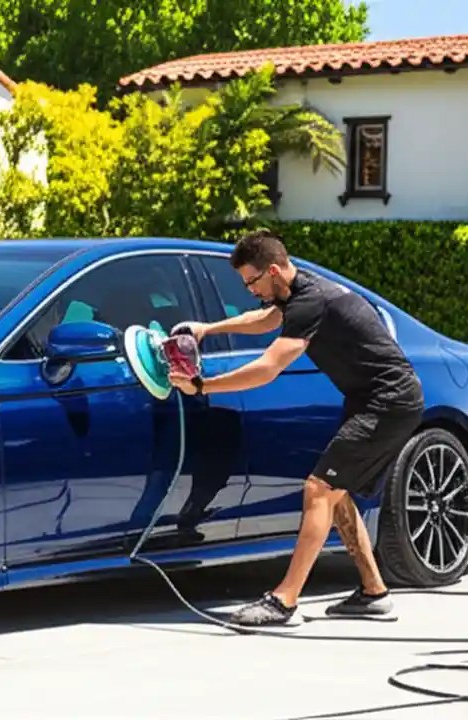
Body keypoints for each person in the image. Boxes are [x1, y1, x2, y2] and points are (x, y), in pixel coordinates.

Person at [168, 229, 424, 626]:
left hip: (389, 402)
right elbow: (265, 318)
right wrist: (207, 329)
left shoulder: (311, 300)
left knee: (318, 488)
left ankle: (284, 601)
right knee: (336, 493)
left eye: (252, 281)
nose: (250, 289)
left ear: (272, 270)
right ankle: (374, 593)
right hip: (370, 400)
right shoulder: (296, 291)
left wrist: (202, 386)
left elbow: (268, 368)